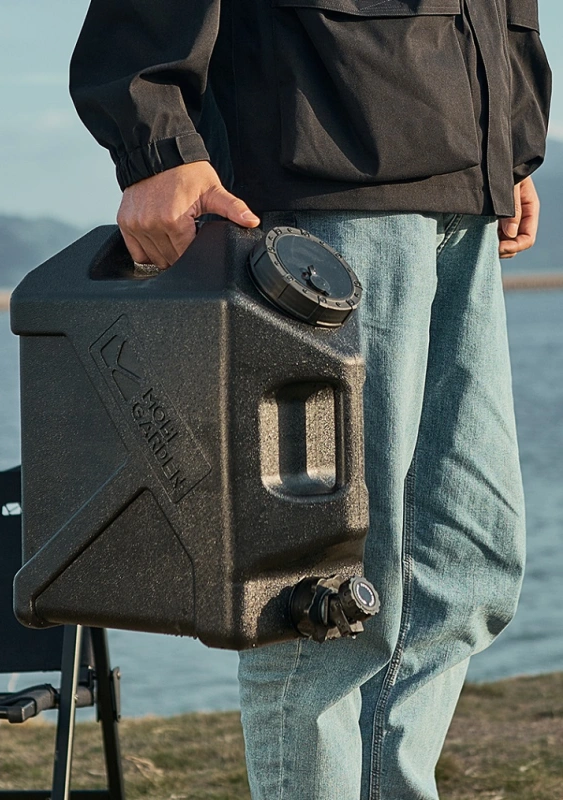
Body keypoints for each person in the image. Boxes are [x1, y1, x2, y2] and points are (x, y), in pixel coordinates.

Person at [70, 2, 551, 798]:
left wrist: (508, 141)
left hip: (462, 191)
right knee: (324, 586)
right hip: (320, 185)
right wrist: (154, 143)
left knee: (465, 564)